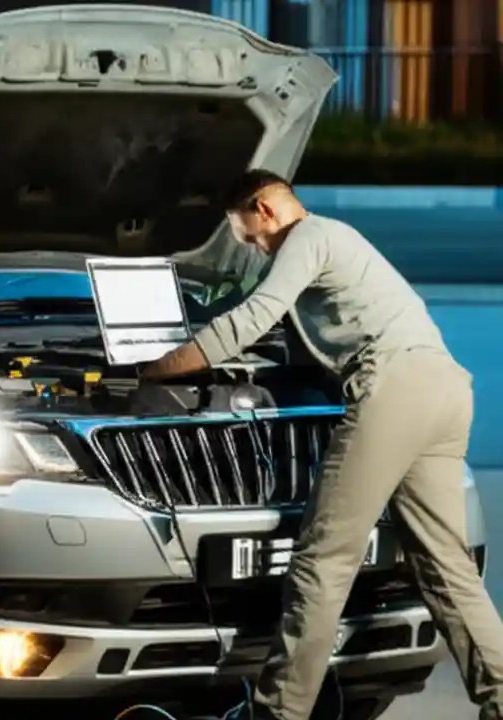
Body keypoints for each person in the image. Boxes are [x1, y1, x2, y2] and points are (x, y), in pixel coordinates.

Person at [139, 168, 503, 720]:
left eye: (249, 237)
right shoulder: (340, 240)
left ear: (264, 209)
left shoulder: (308, 237)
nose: (256, 250)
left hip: (396, 389)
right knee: (446, 567)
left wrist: (156, 370)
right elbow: (314, 338)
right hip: (445, 389)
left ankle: (280, 711)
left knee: (322, 557)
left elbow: (254, 317)